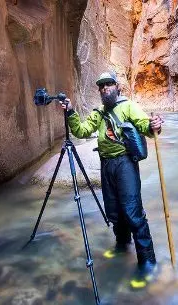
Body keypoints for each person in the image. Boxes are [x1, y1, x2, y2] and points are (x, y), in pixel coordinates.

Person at [60, 71, 163, 285]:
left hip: (125, 162)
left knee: (132, 211)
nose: (104, 88)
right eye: (101, 85)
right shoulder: (98, 112)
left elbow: (145, 125)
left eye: (108, 84)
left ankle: (148, 261)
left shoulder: (128, 106)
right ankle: (122, 244)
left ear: (117, 87)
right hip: (106, 164)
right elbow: (81, 130)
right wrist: (70, 112)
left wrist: (155, 126)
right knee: (114, 210)